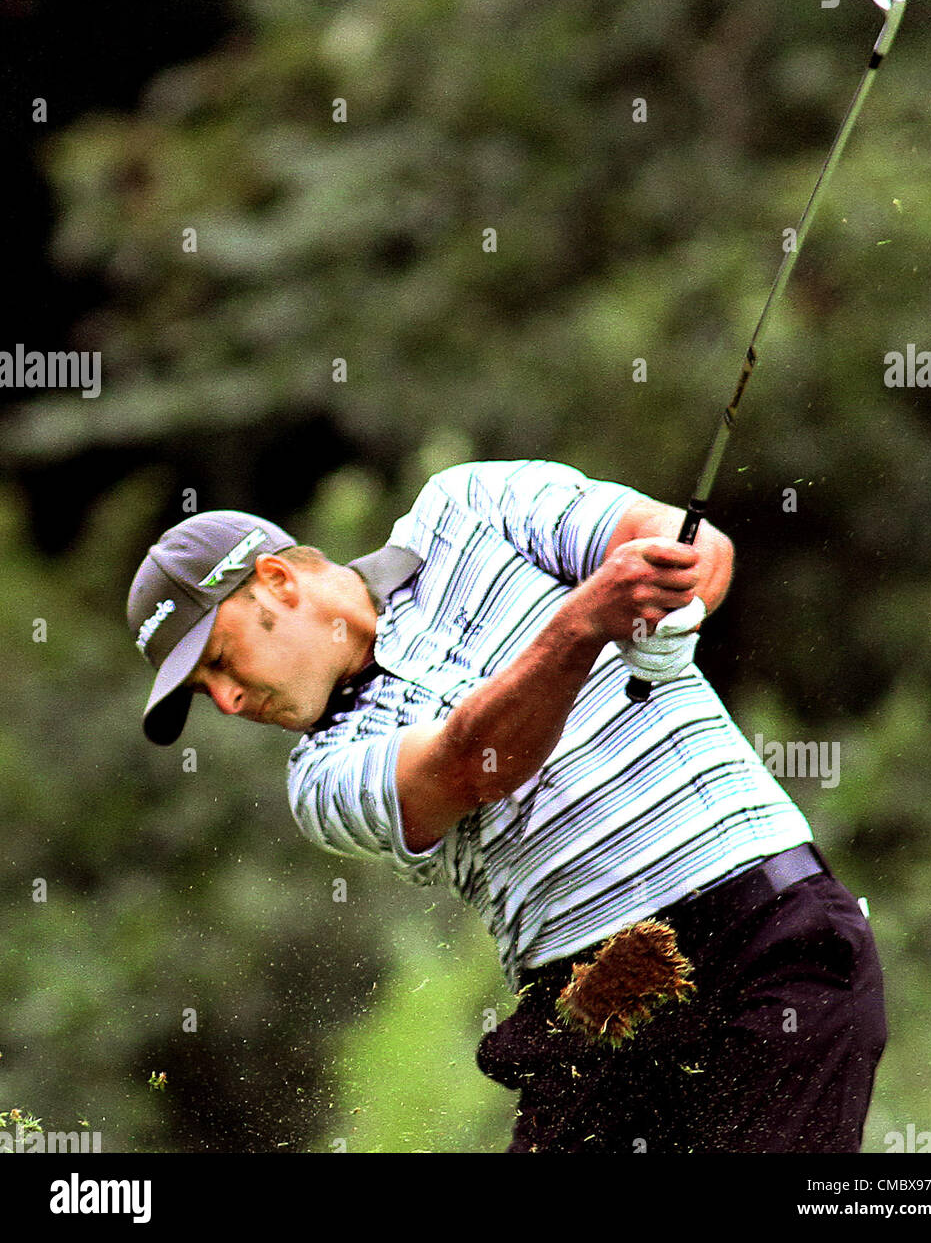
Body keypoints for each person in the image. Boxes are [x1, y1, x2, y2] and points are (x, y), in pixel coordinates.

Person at [127, 458, 887, 1153]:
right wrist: (587, 618)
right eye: (204, 694)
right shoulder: (320, 778)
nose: (225, 702)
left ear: (278, 583)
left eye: (220, 662)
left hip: (770, 944)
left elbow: (673, 540)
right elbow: (474, 760)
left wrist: (674, 584)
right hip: (593, 1021)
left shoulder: (469, 507)